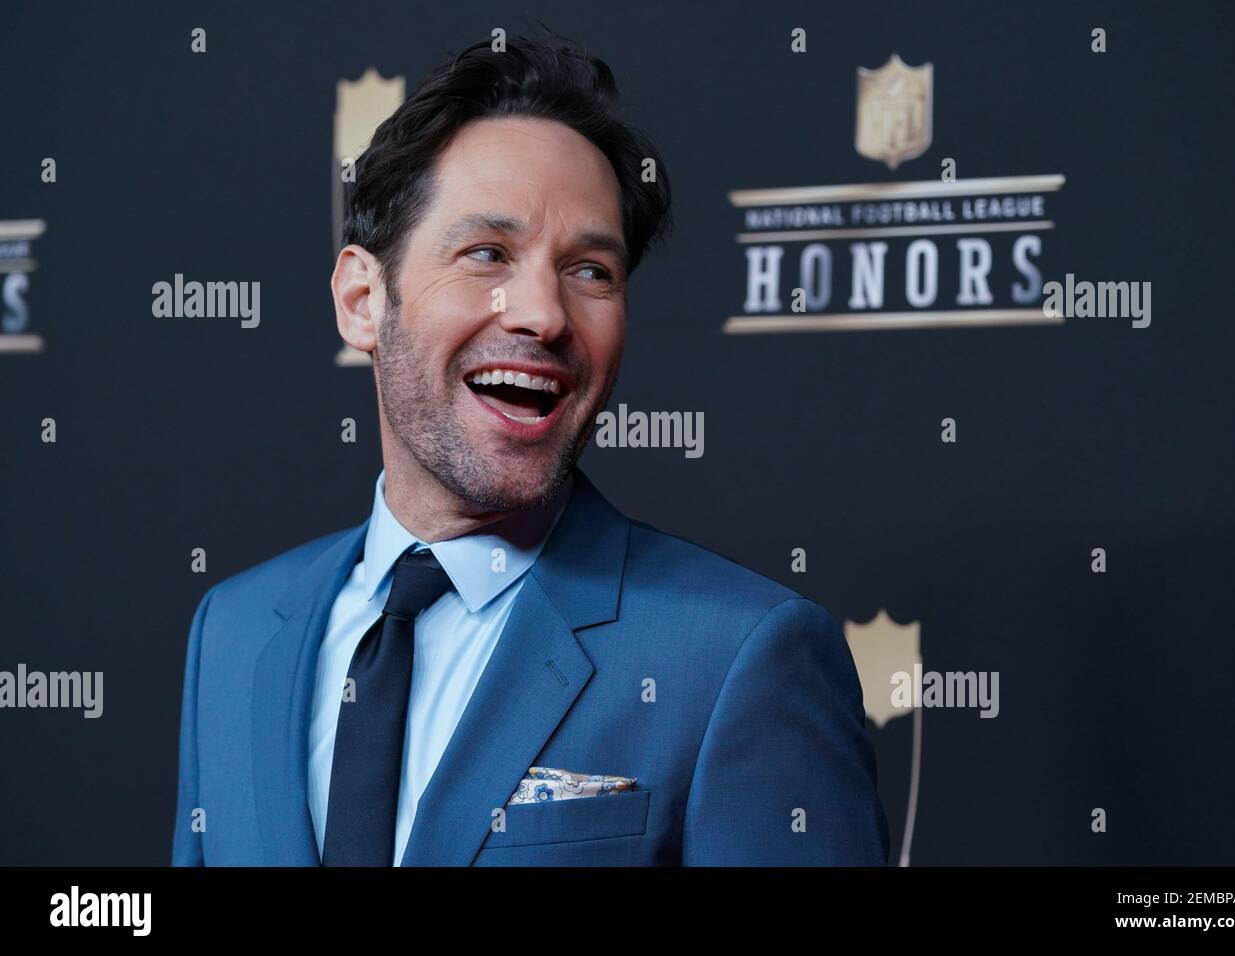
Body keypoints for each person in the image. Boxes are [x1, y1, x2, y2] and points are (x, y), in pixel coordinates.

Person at [170, 31, 889, 866]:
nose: (543, 314)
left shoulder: (740, 656)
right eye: (488, 254)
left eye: (591, 271)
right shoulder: (234, 630)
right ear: (363, 299)